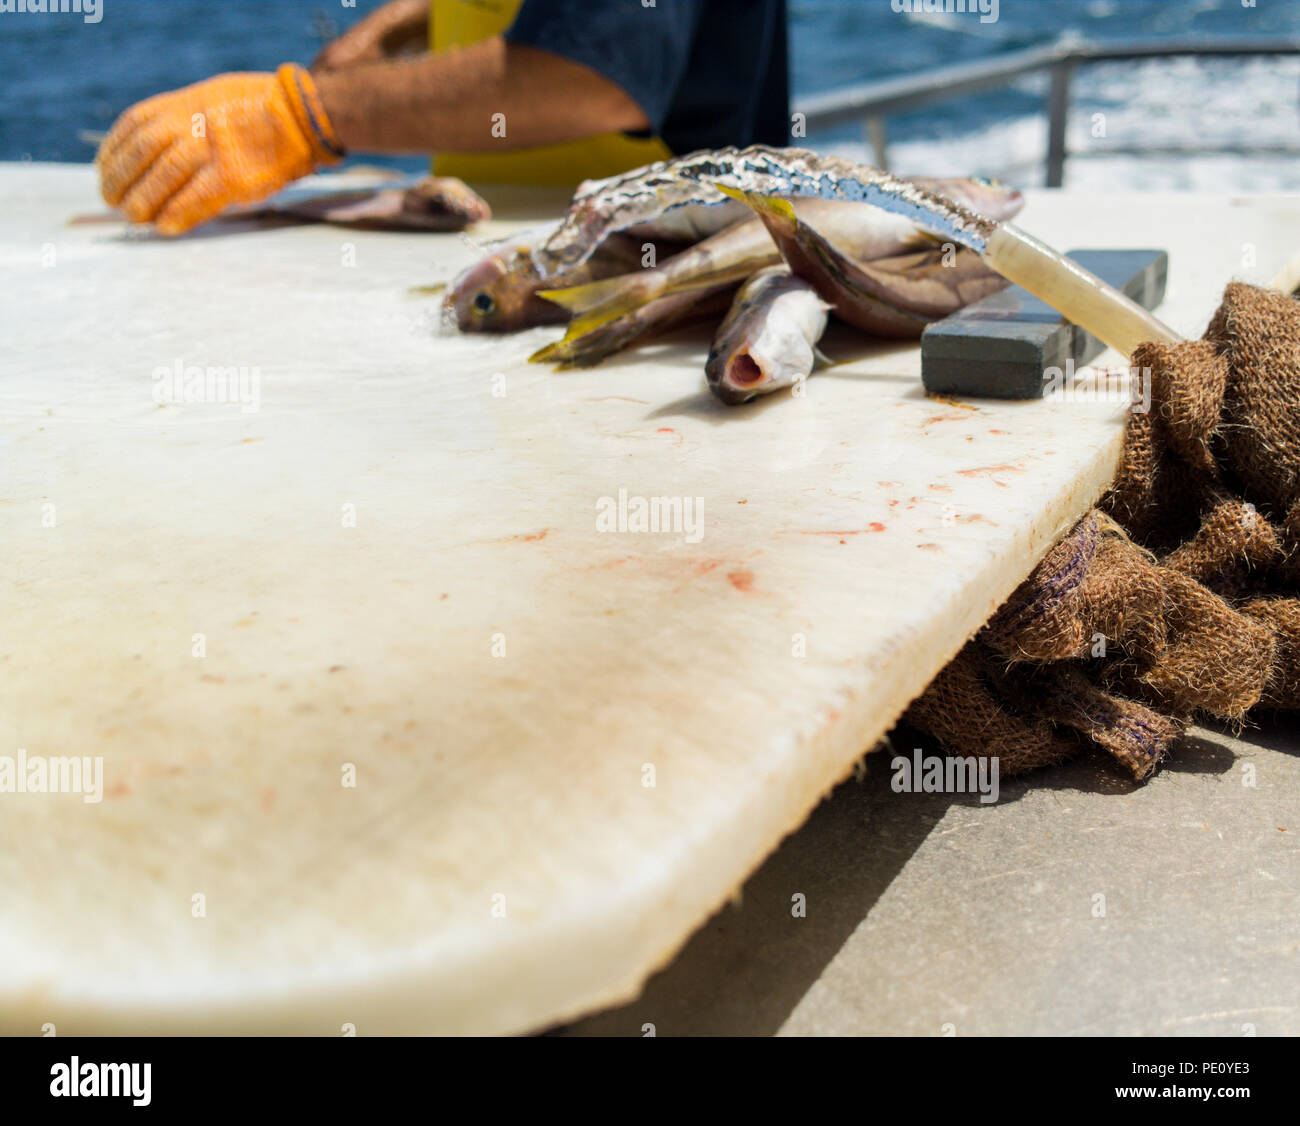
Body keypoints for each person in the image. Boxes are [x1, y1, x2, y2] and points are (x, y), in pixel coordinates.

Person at [97, 0, 789, 236]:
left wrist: (300, 116)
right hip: (523, 250)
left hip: (661, 294)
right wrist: (411, 19)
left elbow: (596, 73)